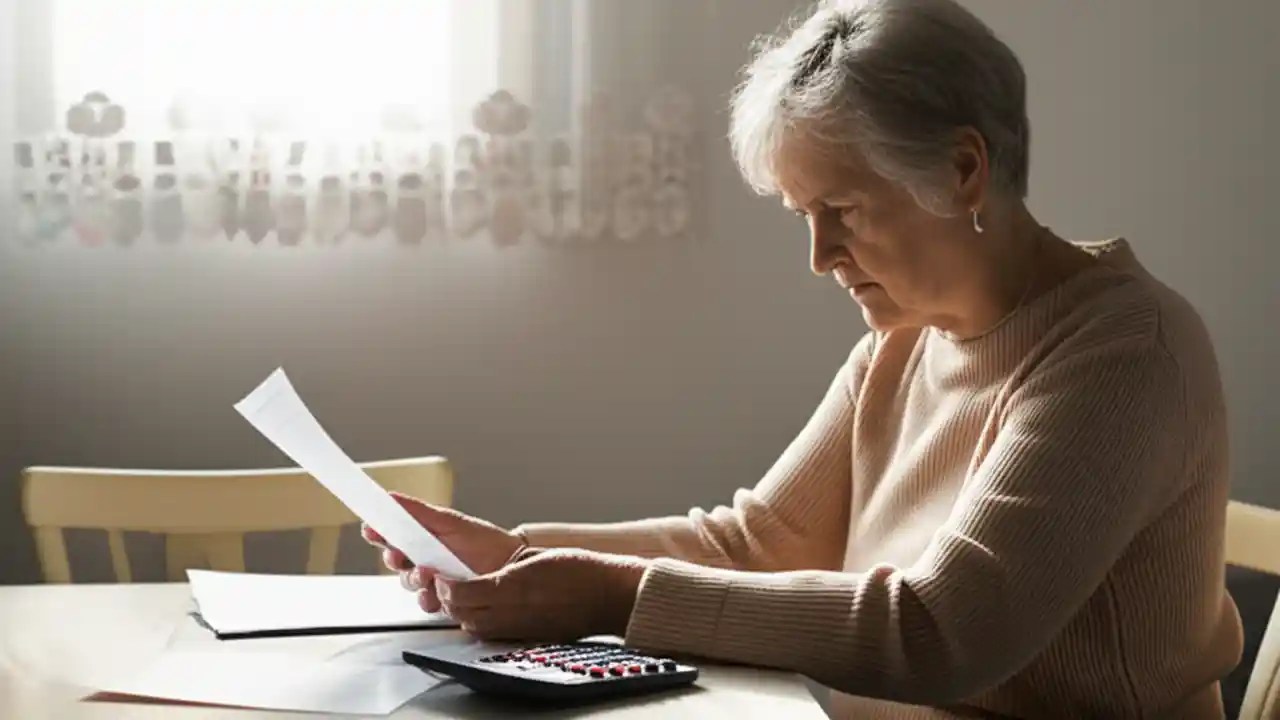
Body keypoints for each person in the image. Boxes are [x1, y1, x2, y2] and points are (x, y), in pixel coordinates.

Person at [363, 0, 1243, 716]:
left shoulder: (1123, 354)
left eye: (844, 211)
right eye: (801, 216)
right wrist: (514, 553)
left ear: (963, 169)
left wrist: (607, 595)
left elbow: (942, 634)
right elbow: (753, 545)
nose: (819, 257)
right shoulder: (902, 342)